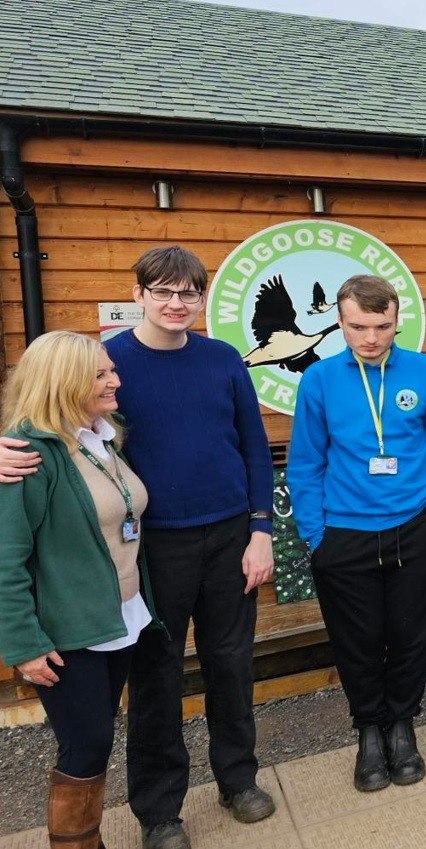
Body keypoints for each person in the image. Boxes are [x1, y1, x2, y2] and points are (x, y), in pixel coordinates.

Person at [0, 246, 277, 849]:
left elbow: (255, 447)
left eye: (189, 294)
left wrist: (261, 530)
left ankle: (238, 779)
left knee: (232, 667)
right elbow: (42, 417)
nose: (177, 304)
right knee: (157, 679)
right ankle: (159, 809)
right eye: (163, 292)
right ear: (139, 296)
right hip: (153, 549)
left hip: (231, 537)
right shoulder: (106, 363)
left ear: (202, 299)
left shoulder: (224, 359)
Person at [287, 275, 426, 793]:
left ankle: (403, 726)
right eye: (357, 326)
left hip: (417, 529)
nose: (369, 338)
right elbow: (306, 463)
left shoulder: (424, 372)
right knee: (357, 641)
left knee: (412, 636)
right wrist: (317, 535)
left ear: (396, 320)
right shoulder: (319, 380)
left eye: (381, 326)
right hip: (345, 535)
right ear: (339, 322)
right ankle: (368, 730)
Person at [0, 332, 153, 849]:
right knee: (85, 746)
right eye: (101, 375)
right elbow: (6, 558)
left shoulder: (103, 438)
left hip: (119, 616)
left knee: (95, 740)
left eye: (111, 370)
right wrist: (22, 644)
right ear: (64, 383)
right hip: (67, 630)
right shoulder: (28, 455)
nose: (116, 380)